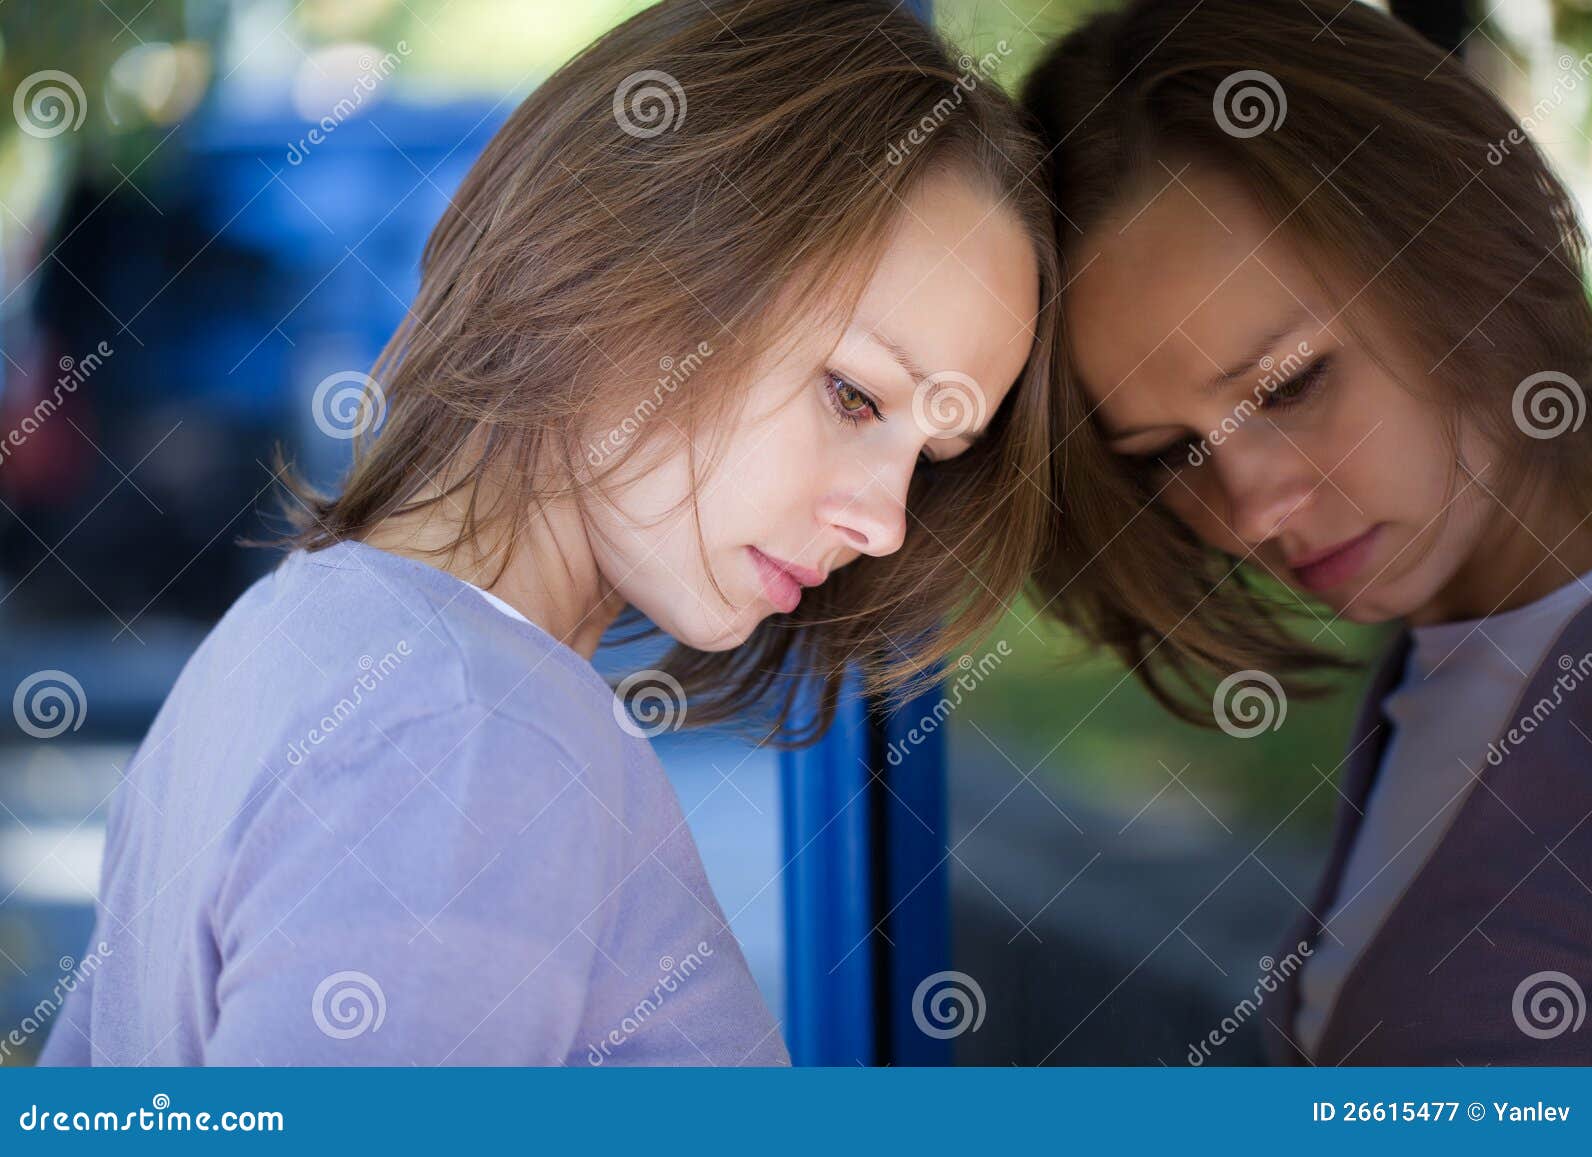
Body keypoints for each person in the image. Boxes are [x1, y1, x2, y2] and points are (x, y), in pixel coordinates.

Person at [38, 0, 1060, 1066]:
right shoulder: (468, 735)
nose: (887, 522)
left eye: (928, 458)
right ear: (640, 258)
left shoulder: (291, 640)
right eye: (854, 395)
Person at [1023, 0, 1592, 1063]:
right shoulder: (1443, 663)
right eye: (1167, 450)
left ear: (1460, 247)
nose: (1249, 507)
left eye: (1288, 385)